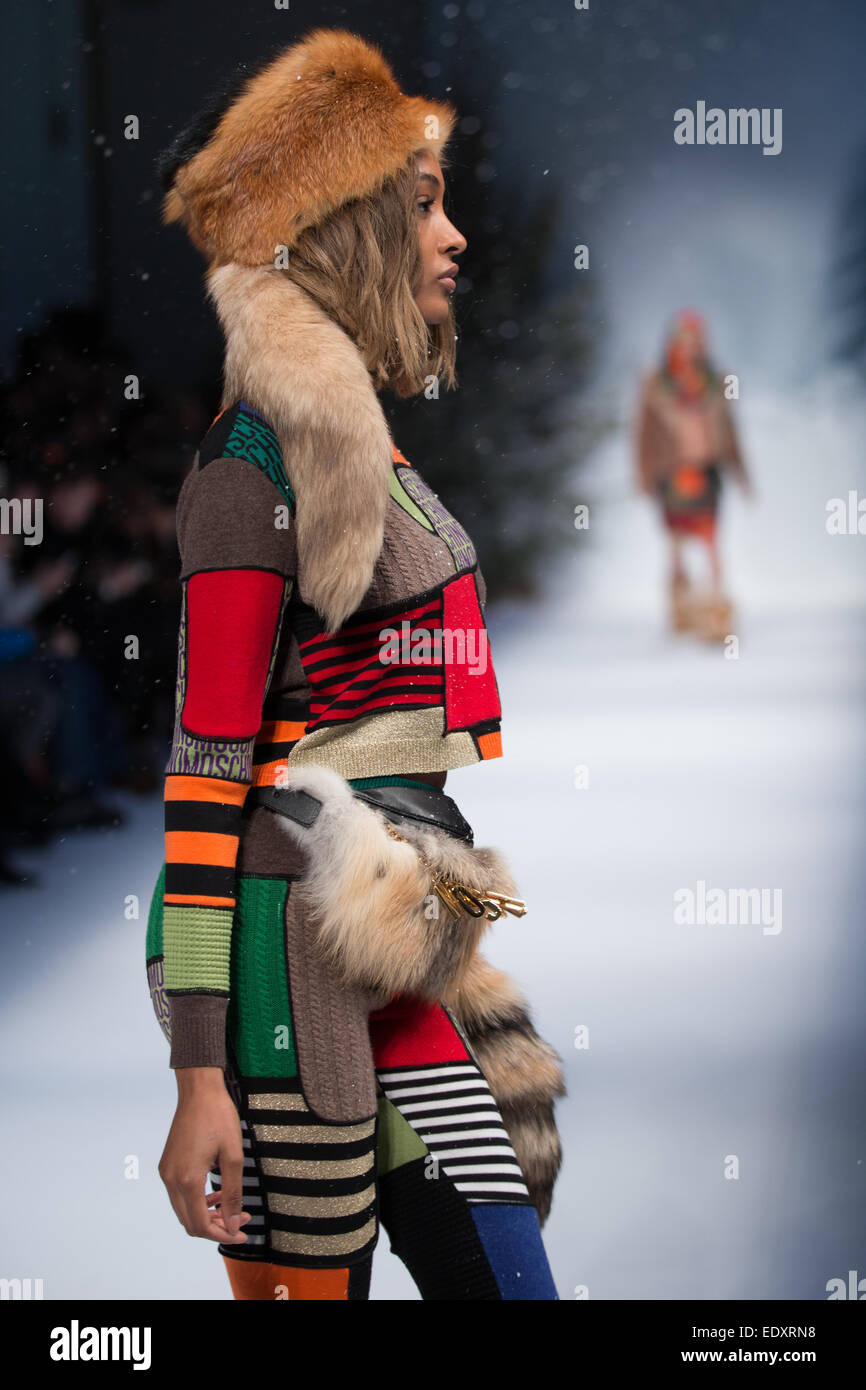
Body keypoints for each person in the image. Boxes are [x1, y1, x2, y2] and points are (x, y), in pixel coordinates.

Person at [145, 27, 565, 1301]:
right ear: (339, 236)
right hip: (289, 963)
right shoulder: (252, 472)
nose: (453, 239)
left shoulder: (355, 448)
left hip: (392, 937)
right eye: (421, 208)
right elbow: (208, 769)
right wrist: (197, 1076)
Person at [635, 310, 751, 640]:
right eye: (685, 341)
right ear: (673, 344)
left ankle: (716, 607)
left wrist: (741, 471)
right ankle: (682, 607)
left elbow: (730, 430)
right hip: (670, 472)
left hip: (707, 469)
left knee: (711, 538)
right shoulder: (656, 383)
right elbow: (643, 433)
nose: (692, 348)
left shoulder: (716, 380)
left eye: (697, 341)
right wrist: (644, 473)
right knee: (676, 541)